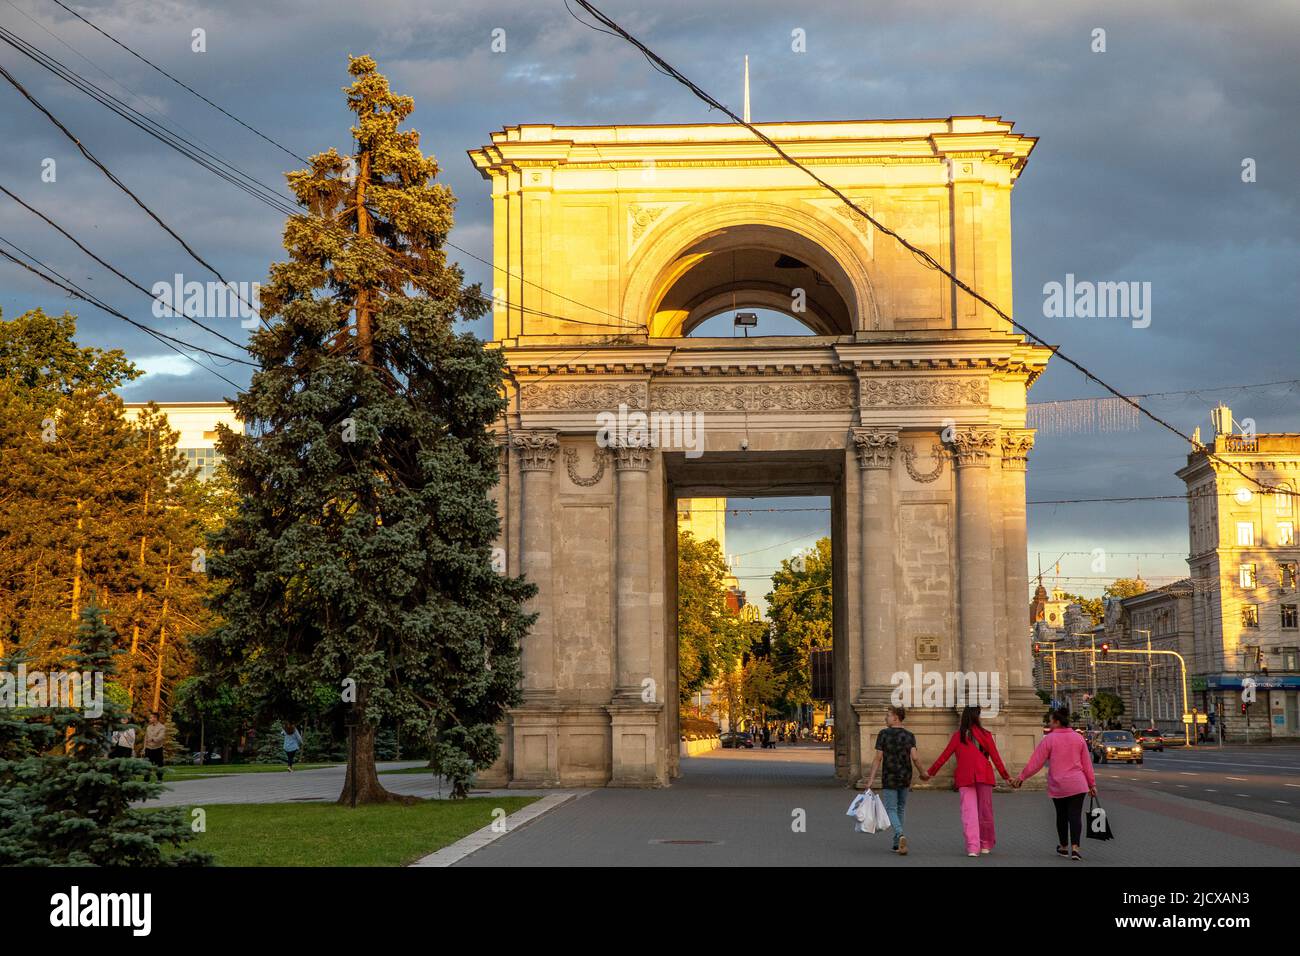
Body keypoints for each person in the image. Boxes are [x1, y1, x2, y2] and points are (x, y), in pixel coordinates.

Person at [927, 705, 1013, 858]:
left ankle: (973, 847)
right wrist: (1006, 777)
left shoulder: (957, 736)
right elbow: (996, 758)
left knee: (969, 813)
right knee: (985, 812)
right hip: (984, 776)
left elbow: (944, 757)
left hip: (964, 778)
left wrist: (930, 773)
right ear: (976, 717)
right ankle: (985, 843)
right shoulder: (986, 735)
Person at [1014, 707, 1096, 861]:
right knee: (1075, 816)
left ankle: (1064, 847)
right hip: (1078, 784)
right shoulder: (1078, 738)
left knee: (1061, 816)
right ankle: (1076, 849)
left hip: (1059, 785)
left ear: (1057, 722)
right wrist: (1092, 784)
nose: (1049, 724)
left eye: (1051, 721)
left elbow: (1036, 762)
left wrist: (1022, 777)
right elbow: (1087, 764)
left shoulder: (1049, 739)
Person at [863, 705, 929, 855]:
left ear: (896, 717)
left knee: (891, 809)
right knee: (900, 808)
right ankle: (896, 843)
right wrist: (923, 773)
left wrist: (870, 779)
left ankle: (899, 834)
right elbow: (915, 757)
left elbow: (878, 758)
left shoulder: (884, 734)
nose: (885, 718)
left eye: (887, 715)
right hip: (905, 775)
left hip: (890, 776)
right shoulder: (910, 735)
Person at [143, 712, 168, 782]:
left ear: (155, 718)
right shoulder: (148, 727)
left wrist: (153, 739)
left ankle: (159, 779)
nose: (149, 719)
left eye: (151, 717)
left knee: (159, 765)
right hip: (148, 749)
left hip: (158, 749)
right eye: (150, 717)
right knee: (147, 765)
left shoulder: (162, 727)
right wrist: (144, 748)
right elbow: (146, 738)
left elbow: (161, 737)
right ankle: (146, 779)